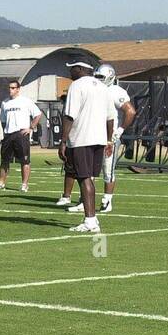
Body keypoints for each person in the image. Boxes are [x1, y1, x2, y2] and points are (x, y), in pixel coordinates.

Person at [59, 60, 114, 232]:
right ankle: (91, 218)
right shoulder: (103, 88)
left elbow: (69, 115)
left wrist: (63, 141)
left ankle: (90, 220)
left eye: (72, 68)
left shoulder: (76, 86)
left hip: (81, 138)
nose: (70, 72)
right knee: (89, 178)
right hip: (100, 139)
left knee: (83, 178)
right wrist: (109, 140)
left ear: (81, 69)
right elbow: (110, 118)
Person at [85, 63, 134, 214]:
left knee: (107, 170)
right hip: (93, 135)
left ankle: (107, 200)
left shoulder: (115, 91)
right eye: (96, 76)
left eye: (101, 76)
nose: (97, 79)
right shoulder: (93, 89)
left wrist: (119, 130)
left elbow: (130, 111)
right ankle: (85, 200)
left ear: (110, 77)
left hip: (109, 137)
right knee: (89, 170)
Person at [0, 79, 42, 192]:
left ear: (18, 89)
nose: (10, 90)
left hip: (21, 134)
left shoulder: (25, 101)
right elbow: (3, 120)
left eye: (13, 88)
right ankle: (1, 183)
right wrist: (5, 132)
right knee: (4, 160)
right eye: (9, 88)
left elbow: (38, 114)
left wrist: (31, 128)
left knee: (24, 161)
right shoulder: (5, 103)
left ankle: (24, 185)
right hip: (8, 135)